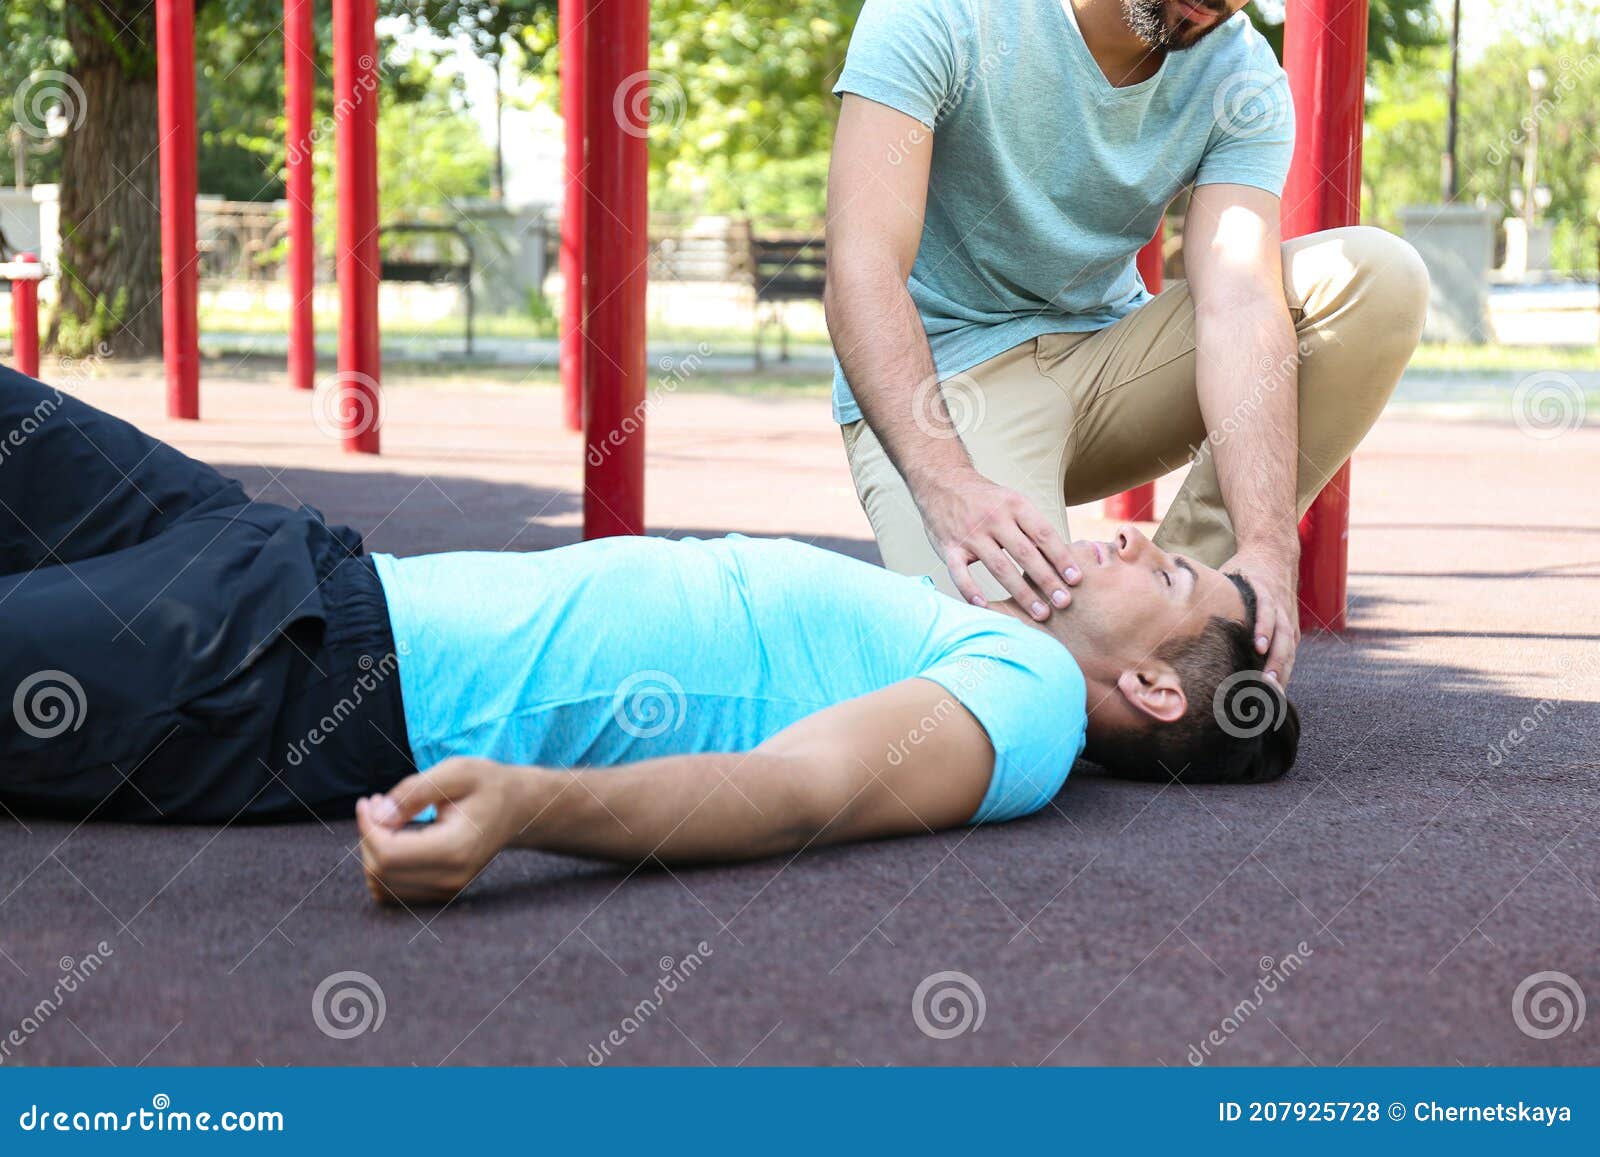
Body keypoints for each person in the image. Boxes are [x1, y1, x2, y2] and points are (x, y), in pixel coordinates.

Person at [0, 367, 1296, 906]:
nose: (1132, 537)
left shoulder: (1026, 697)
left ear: (1156, 691)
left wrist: (525, 807)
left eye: (1172, 572)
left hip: (290, 666)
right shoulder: (966, 630)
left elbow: (800, 793)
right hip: (295, 560)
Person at [825, 0, 1429, 690]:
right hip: (948, 389)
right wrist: (947, 481)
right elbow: (859, 270)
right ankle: (1100, 663)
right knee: (1008, 677)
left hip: (1109, 361)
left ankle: (1178, 615)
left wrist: (1267, 541)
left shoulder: (1240, 74)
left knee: (1376, 277)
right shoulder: (941, 14)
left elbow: (1238, 298)